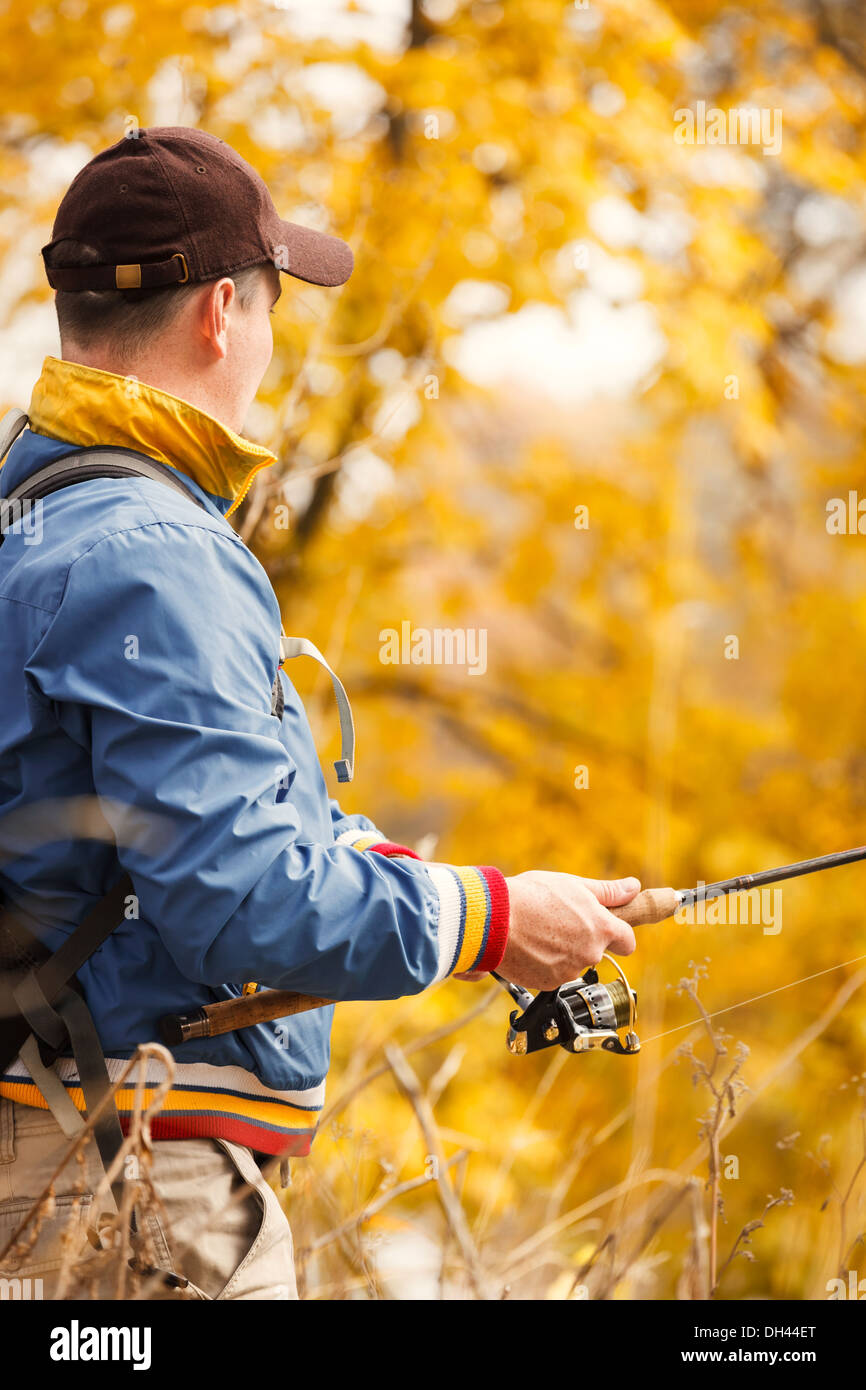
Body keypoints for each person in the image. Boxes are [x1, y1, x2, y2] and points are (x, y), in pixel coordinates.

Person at [0, 126, 640, 1300]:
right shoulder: (152, 555)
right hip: (131, 1191)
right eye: (273, 304)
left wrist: (441, 894)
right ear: (220, 316)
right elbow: (241, 897)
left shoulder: (31, 521)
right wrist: (491, 922)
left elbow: (159, 841)